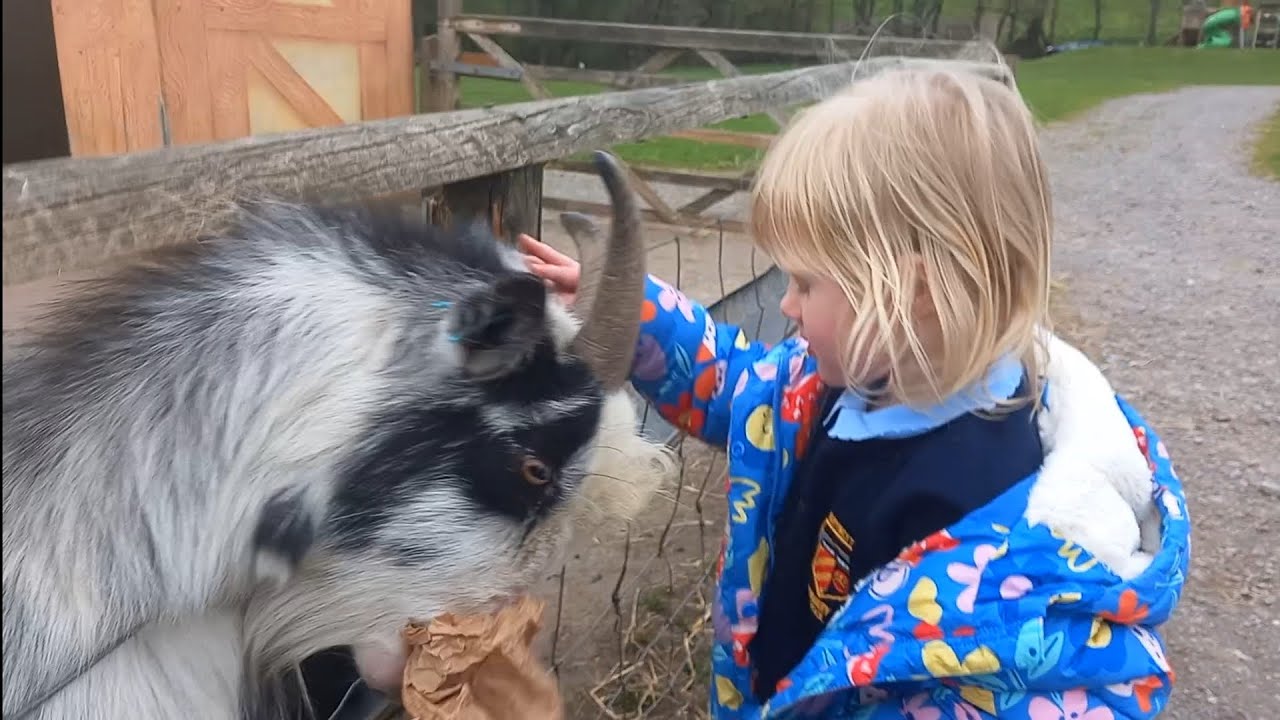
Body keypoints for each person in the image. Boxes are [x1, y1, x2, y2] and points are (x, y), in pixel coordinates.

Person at [520, 65, 1189, 719]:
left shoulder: (988, 533)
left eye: (806, 283)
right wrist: (628, 309)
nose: (786, 305)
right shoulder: (846, 380)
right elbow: (732, 387)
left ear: (913, 293)